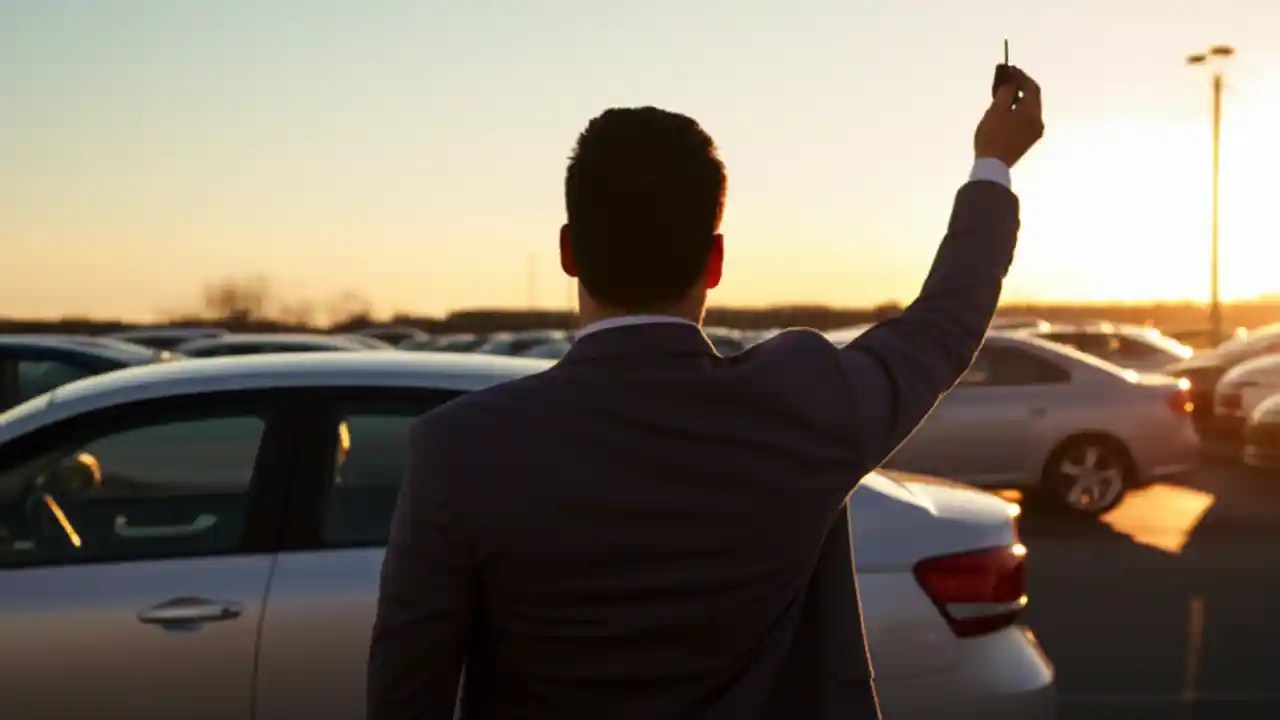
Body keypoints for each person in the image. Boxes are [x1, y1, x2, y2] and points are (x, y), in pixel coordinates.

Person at [369, 68, 1044, 719]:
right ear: (714, 262)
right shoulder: (801, 404)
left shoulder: (459, 448)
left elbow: (408, 691)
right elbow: (943, 324)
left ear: (570, 251)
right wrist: (993, 163)